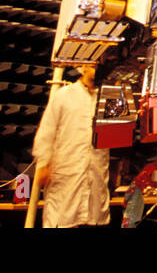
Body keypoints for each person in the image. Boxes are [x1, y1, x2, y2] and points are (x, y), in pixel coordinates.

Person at [32, 64, 110, 227]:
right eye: (92, 65)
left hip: (96, 175)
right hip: (66, 173)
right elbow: (47, 132)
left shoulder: (108, 98)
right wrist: (44, 164)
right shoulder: (64, 96)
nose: (95, 69)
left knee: (93, 218)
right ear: (83, 68)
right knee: (61, 220)